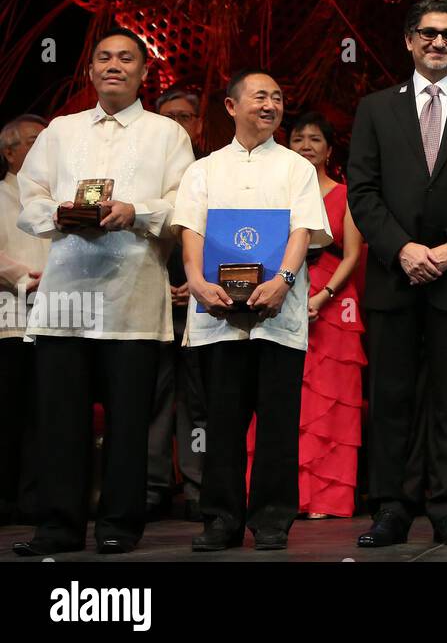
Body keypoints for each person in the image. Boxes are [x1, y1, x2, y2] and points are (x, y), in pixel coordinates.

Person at [13, 29, 194, 556]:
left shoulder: (167, 134)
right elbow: (31, 197)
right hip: (67, 294)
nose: (114, 66)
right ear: (90, 71)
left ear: (144, 72)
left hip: (132, 294)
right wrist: (63, 216)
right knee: (61, 419)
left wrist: (136, 213)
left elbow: (183, 203)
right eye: (104, 58)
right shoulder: (61, 131)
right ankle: (57, 527)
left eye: (126, 58)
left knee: (128, 420)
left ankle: (119, 523)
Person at [348, 0, 447, 548]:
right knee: (391, 396)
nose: (438, 43)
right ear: (409, 41)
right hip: (394, 276)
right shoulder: (375, 108)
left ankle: (445, 506)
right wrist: (403, 250)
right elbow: (363, 193)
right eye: (428, 33)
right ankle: (391, 507)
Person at [174, 70, 331, 551]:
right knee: (222, 421)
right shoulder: (203, 170)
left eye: (278, 98)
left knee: (279, 421)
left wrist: (283, 281)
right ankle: (220, 520)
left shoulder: (295, 168)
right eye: (260, 96)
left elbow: (303, 231)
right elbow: (190, 231)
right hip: (217, 313)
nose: (271, 105)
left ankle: (271, 520)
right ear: (230, 106)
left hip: (277, 312)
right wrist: (197, 281)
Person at [287, 111, 366, 518]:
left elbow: (353, 255)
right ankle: (290, 494)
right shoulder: (277, 193)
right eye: (298, 138)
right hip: (282, 296)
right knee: (292, 401)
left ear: (329, 149)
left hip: (333, 301)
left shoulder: (345, 194)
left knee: (334, 398)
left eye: (315, 139)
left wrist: (323, 296)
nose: (305, 146)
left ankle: (328, 498)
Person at [146, 87, 207, 522]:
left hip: (205, 301)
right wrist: (162, 282)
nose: (177, 124)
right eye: (168, 116)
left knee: (199, 403)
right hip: (150, 300)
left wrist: (197, 283)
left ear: (200, 122)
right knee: (152, 399)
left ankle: (200, 486)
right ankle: (151, 487)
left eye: (185, 116)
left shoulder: (211, 168)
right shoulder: (147, 170)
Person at [0, 115, 48, 526]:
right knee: (8, 412)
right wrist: (22, 278)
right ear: (9, 151)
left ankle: (36, 501)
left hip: (59, 318)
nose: (44, 146)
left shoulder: (61, 198)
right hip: (9, 319)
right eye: (35, 140)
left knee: (45, 414)